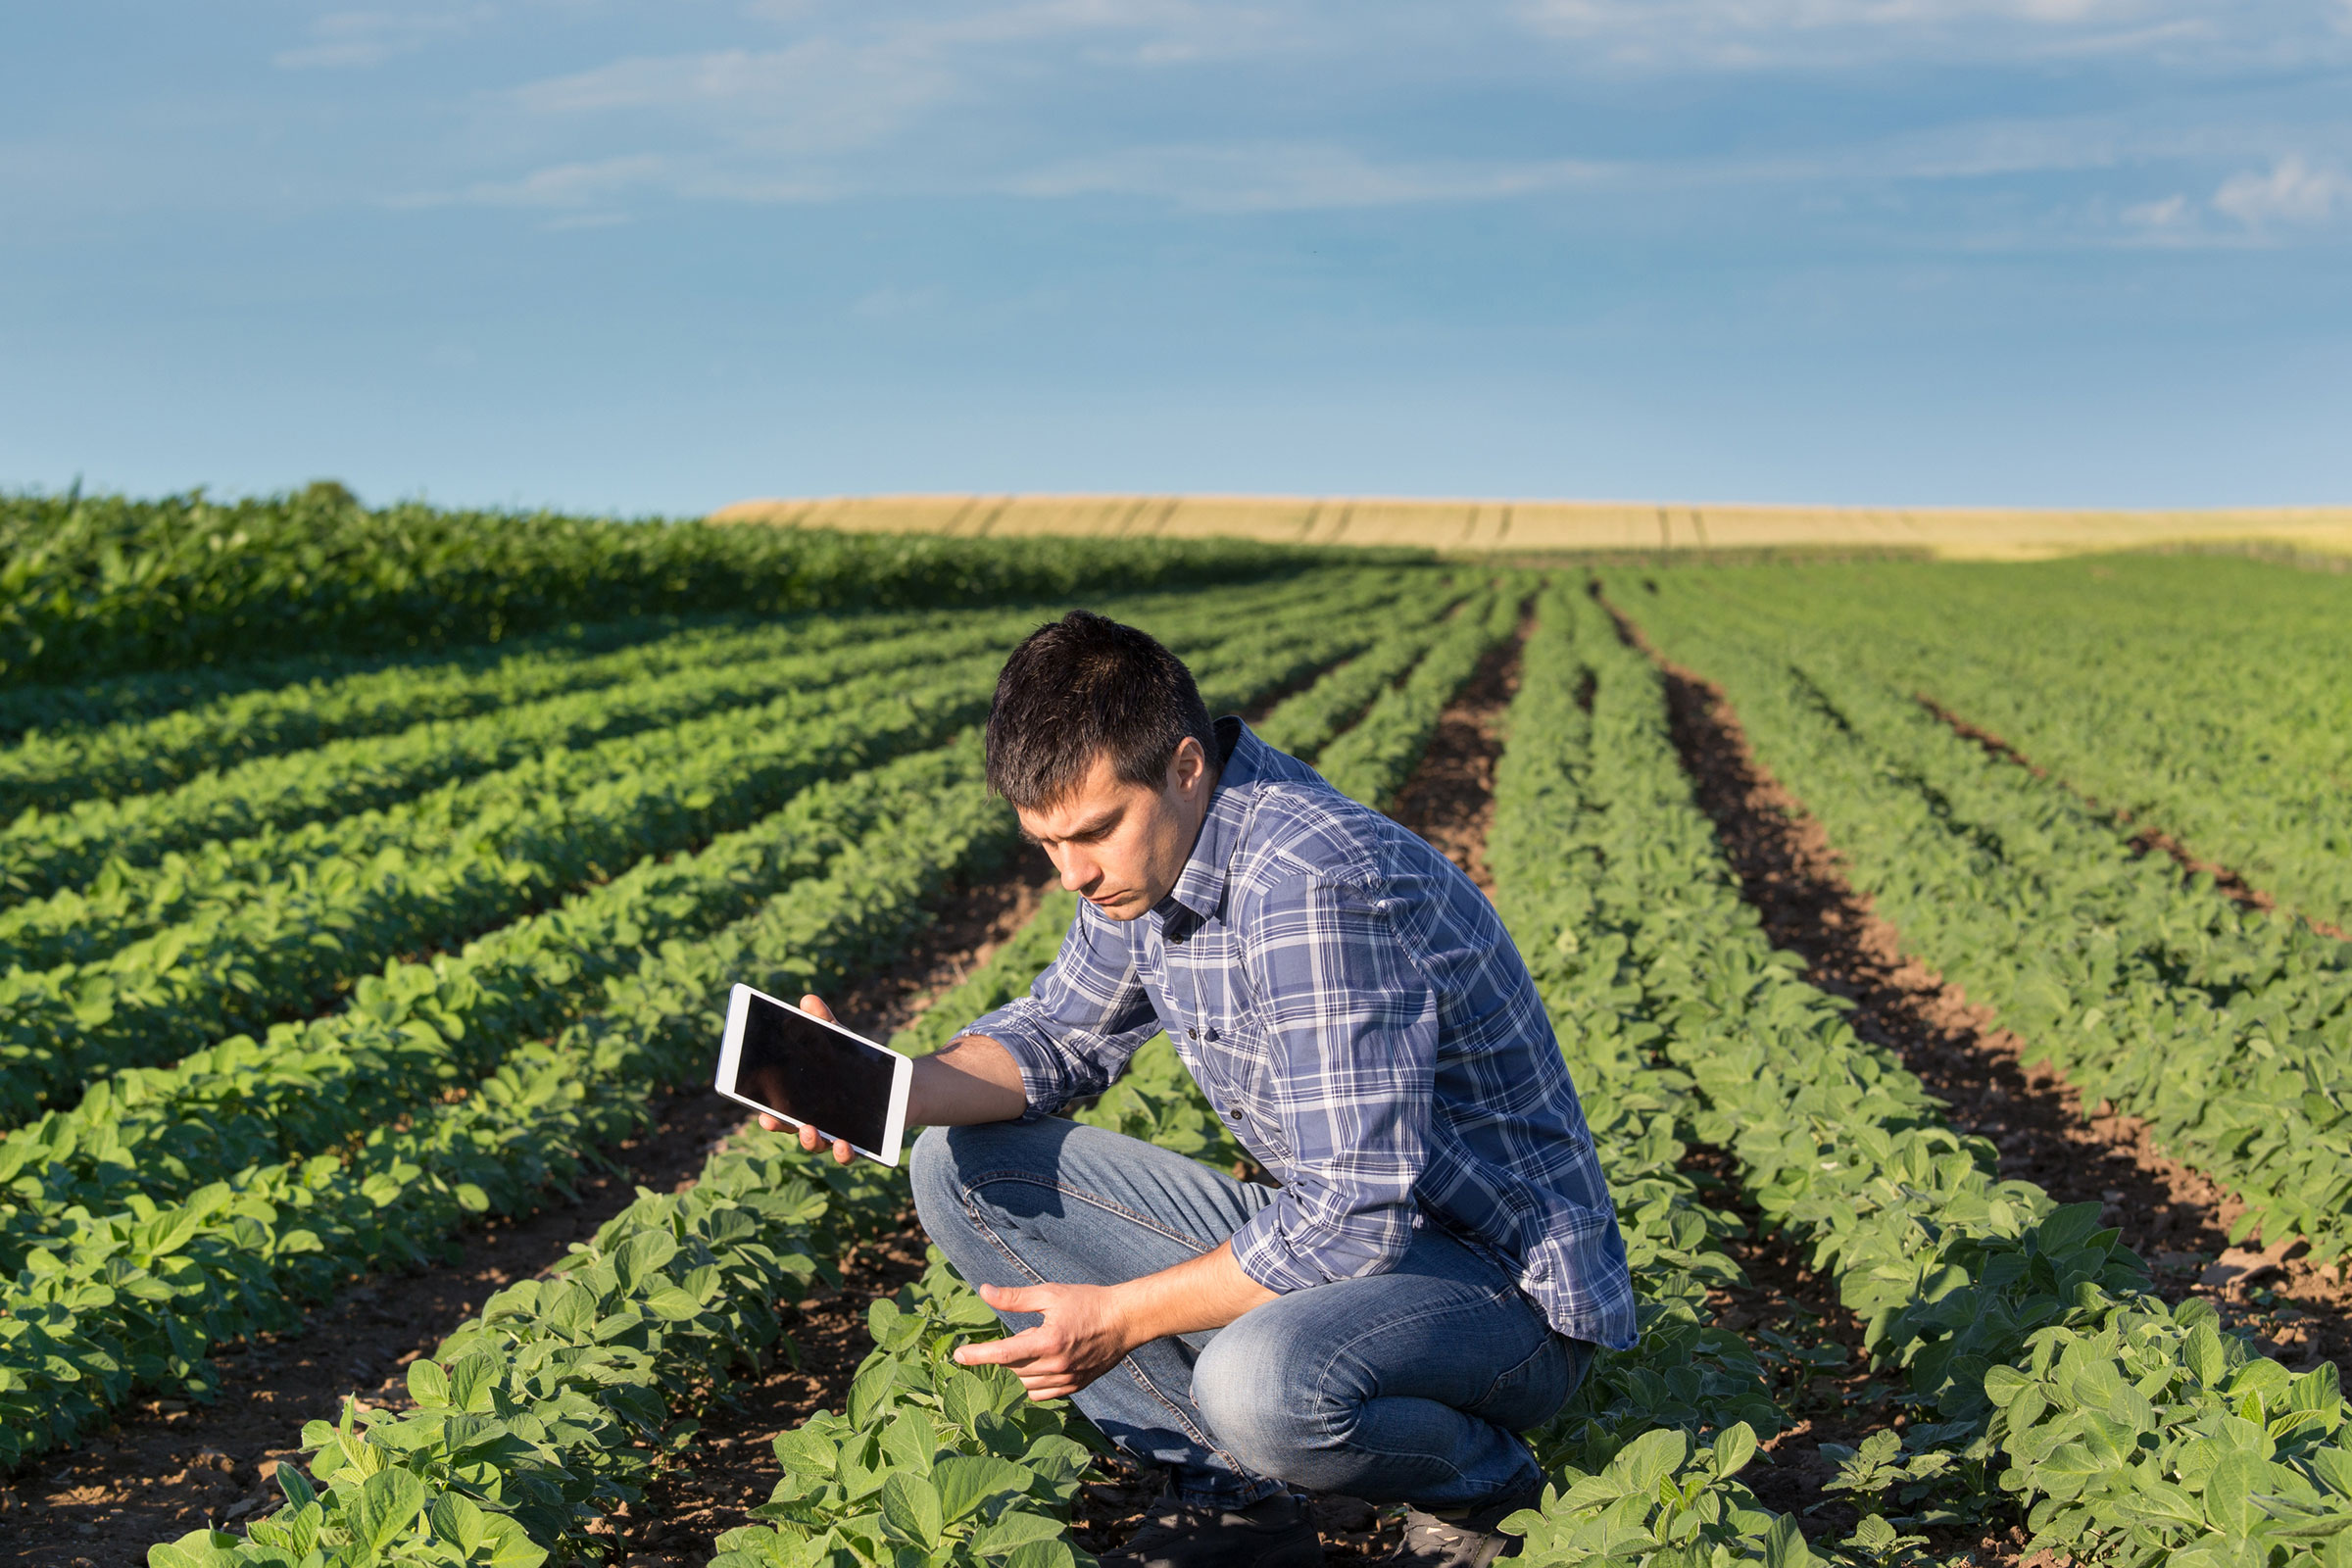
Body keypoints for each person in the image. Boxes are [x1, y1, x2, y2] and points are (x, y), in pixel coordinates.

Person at [767, 610, 1632, 1568]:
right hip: (1362, 1246)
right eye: (1047, 842)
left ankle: (1486, 1492)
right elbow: (1060, 1034)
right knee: (960, 1165)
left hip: (1498, 1293)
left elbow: (1349, 1222)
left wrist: (1121, 1317)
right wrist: (887, 1083)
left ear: (1185, 766)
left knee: (1257, 1381)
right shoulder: (1152, 858)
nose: (1072, 873)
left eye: (1093, 831)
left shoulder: (1309, 880)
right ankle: (1236, 1495)